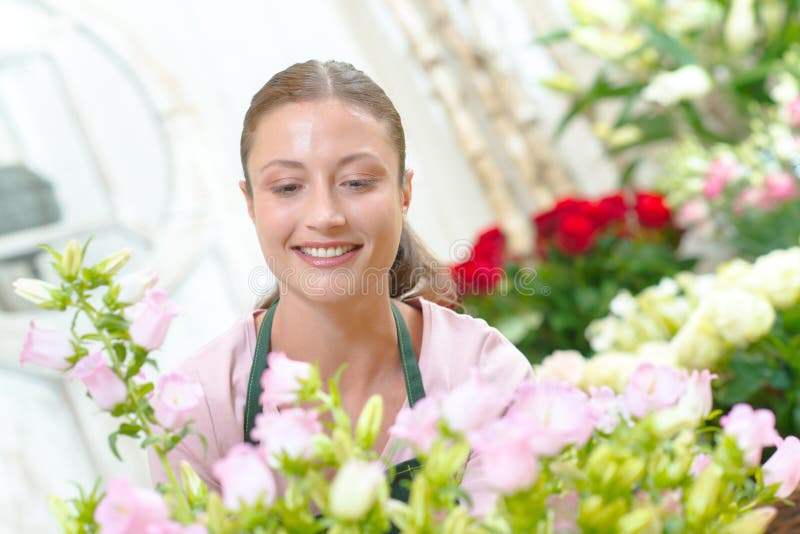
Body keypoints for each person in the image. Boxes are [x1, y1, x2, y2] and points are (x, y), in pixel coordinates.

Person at [148, 59, 533, 513]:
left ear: (404, 193)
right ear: (250, 203)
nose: (325, 215)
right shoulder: (198, 406)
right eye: (287, 187)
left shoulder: (481, 373)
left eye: (356, 182)